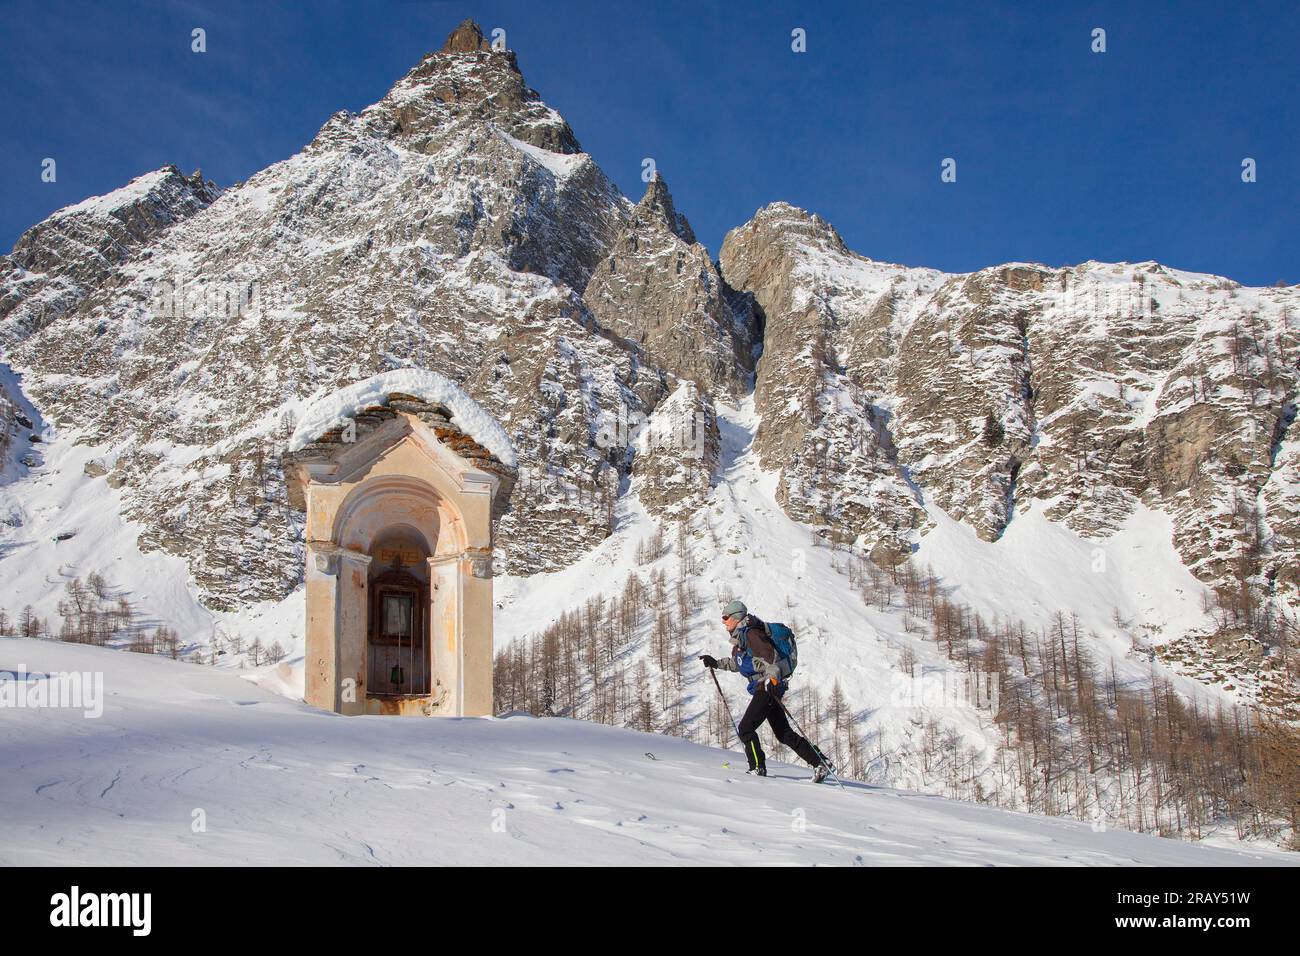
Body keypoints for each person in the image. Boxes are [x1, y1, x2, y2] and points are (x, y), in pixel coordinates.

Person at [700, 599, 832, 781]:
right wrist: (715, 663)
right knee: (784, 733)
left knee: (746, 728)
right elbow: (739, 664)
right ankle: (821, 763)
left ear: (737, 618)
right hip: (766, 687)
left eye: (726, 617)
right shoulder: (740, 640)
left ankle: (757, 768)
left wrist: (772, 680)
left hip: (767, 687)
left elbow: (770, 658)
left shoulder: (752, 634)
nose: (723, 621)